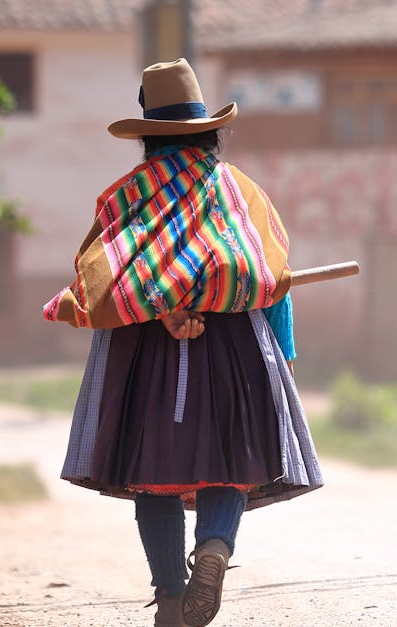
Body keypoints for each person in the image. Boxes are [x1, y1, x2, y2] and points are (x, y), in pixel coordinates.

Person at [42, 59, 323, 627]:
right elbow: (275, 277)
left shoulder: (124, 196)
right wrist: (284, 358)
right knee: (228, 460)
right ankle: (215, 550)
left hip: (145, 348)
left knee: (153, 468)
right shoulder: (241, 192)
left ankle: (171, 595)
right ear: (210, 131)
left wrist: (164, 308)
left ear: (147, 134)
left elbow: (102, 275)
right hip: (237, 341)